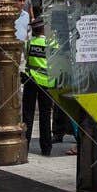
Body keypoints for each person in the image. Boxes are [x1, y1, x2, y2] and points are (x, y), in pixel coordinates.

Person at [22, 12, 55, 156]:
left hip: (30, 81)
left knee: (27, 115)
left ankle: (25, 145)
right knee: (45, 115)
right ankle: (46, 147)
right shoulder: (52, 44)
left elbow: (26, 59)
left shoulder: (29, 44)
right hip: (47, 84)